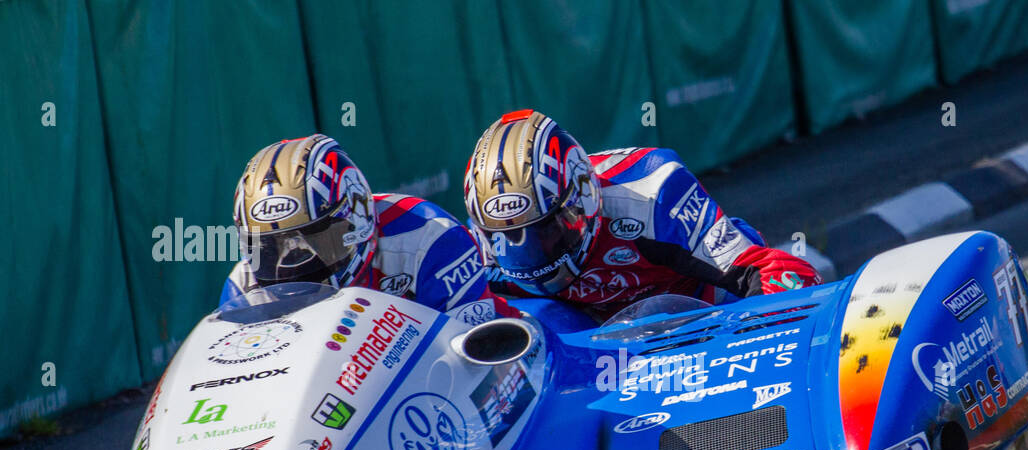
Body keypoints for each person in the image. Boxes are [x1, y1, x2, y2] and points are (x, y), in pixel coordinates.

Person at [463, 109, 820, 320]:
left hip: (698, 319)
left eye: (547, 231)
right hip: (591, 353)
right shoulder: (475, 249)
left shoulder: (653, 191)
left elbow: (780, 271)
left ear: (584, 196)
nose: (531, 252)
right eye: (507, 239)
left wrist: (760, 330)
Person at [222, 133, 510, 324]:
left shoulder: (427, 236)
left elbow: (477, 357)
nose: (294, 261)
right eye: (271, 247)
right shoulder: (244, 285)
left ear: (356, 217)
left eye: (314, 239)